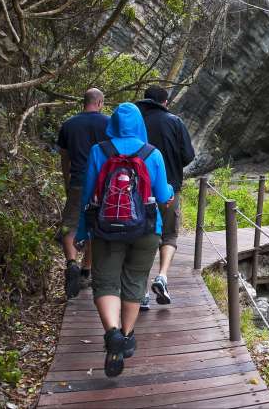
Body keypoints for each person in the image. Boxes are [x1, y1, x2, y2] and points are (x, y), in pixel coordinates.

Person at [75, 103, 174, 377]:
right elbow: (164, 197)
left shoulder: (99, 151)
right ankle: (126, 335)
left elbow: (87, 196)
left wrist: (83, 232)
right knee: (134, 282)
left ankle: (112, 333)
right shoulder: (152, 154)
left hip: (106, 229)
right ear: (140, 124)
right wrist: (170, 192)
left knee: (105, 281)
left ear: (113, 123)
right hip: (145, 230)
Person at [135, 86, 195, 308]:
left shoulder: (135, 120)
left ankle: (141, 292)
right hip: (169, 189)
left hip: (137, 191)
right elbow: (188, 156)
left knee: (141, 237)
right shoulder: (174, 122)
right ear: (165, 102)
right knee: (168, 235)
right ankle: (162, 276)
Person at [55, 88, 109, 299]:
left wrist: (67, 182)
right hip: (101, 185)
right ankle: (86, 271)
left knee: (70, 225)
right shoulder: (108, 123)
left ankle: (71, 264)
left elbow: (64, 158)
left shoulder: (69, 124)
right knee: (94, 227)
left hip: (78, 182)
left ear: (83, 102)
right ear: (100, 103)